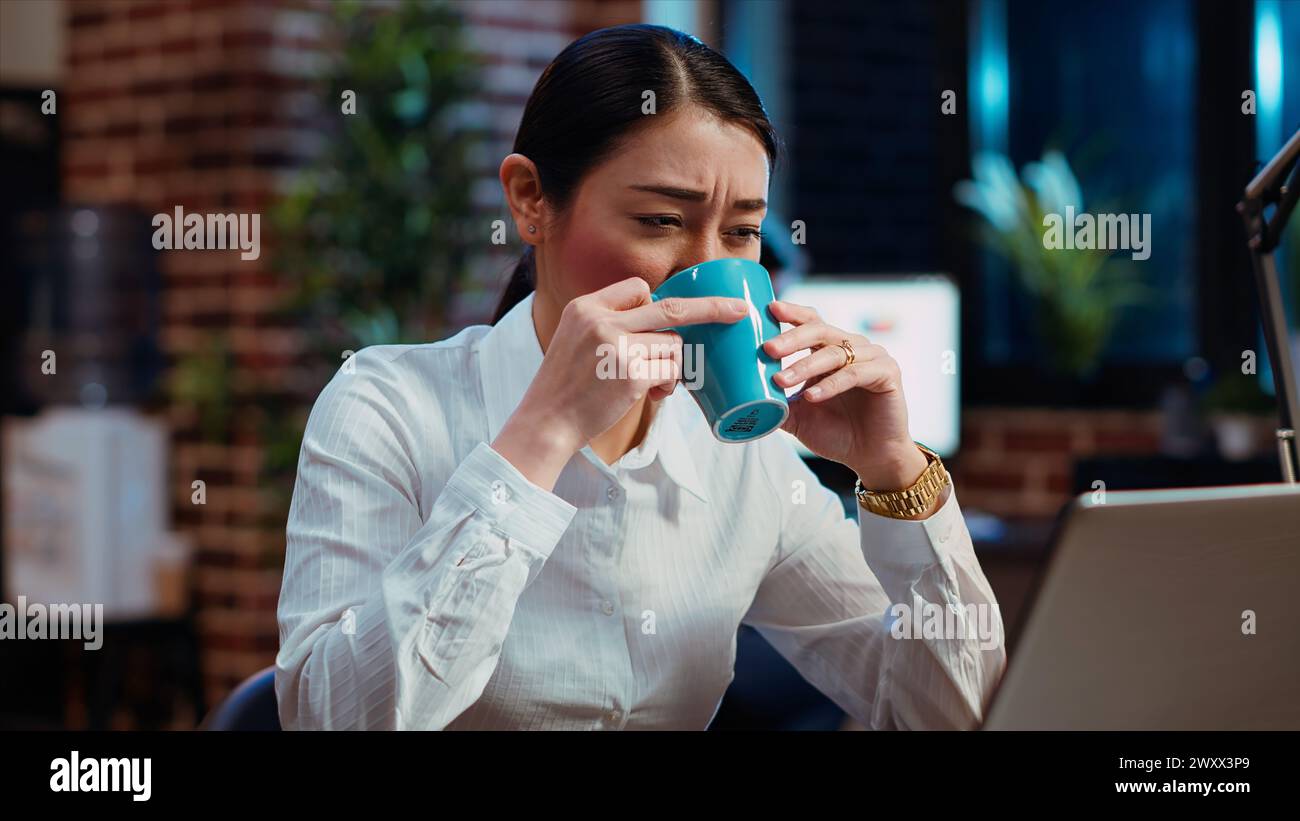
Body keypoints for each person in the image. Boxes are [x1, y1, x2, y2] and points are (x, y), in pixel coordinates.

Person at [275, 23, 1006, 730]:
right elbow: (332, 719)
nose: (706, 270)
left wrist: (893, 470)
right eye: (660, 220)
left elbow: (947, 717)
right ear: (532, 199)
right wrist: (544, 435)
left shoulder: (744, 460)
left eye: (743, 231)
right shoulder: (387, 407)